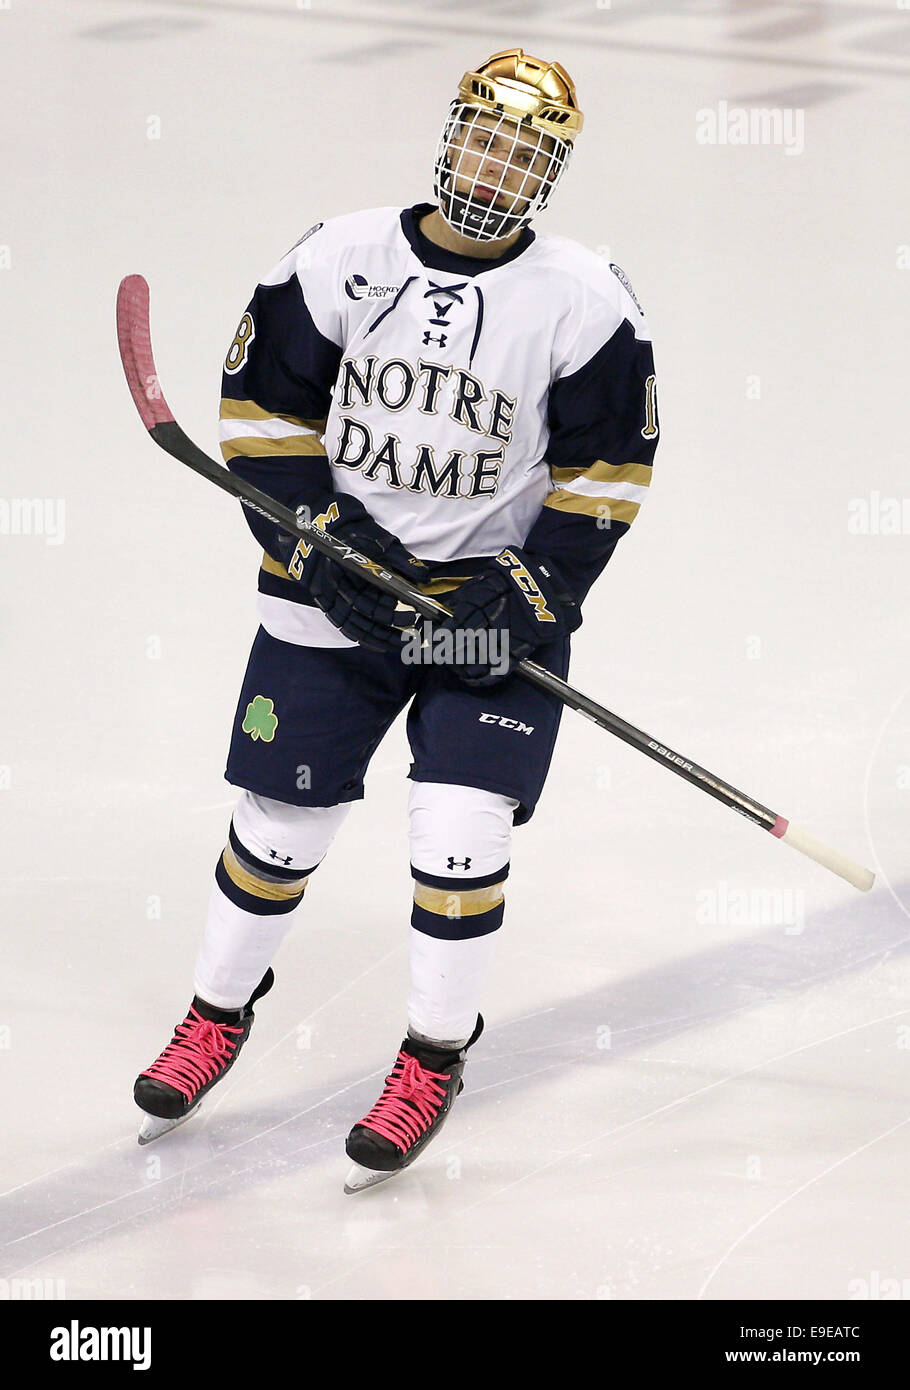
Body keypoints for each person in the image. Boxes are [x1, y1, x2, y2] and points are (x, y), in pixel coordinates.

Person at [133, 47, 659, 1190]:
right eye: (484, 137)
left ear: (550, 173)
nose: (495, 167)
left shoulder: (584, 297)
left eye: (525, 154)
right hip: (339, 598)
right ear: (451, 135)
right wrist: (314, 536)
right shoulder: (340, 254)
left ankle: (433, 1055)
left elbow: (609, 471)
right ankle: (216, 1014)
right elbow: (262, 414)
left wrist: (526, 592)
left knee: (459, 839)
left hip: (480, 615)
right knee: (279, 824)